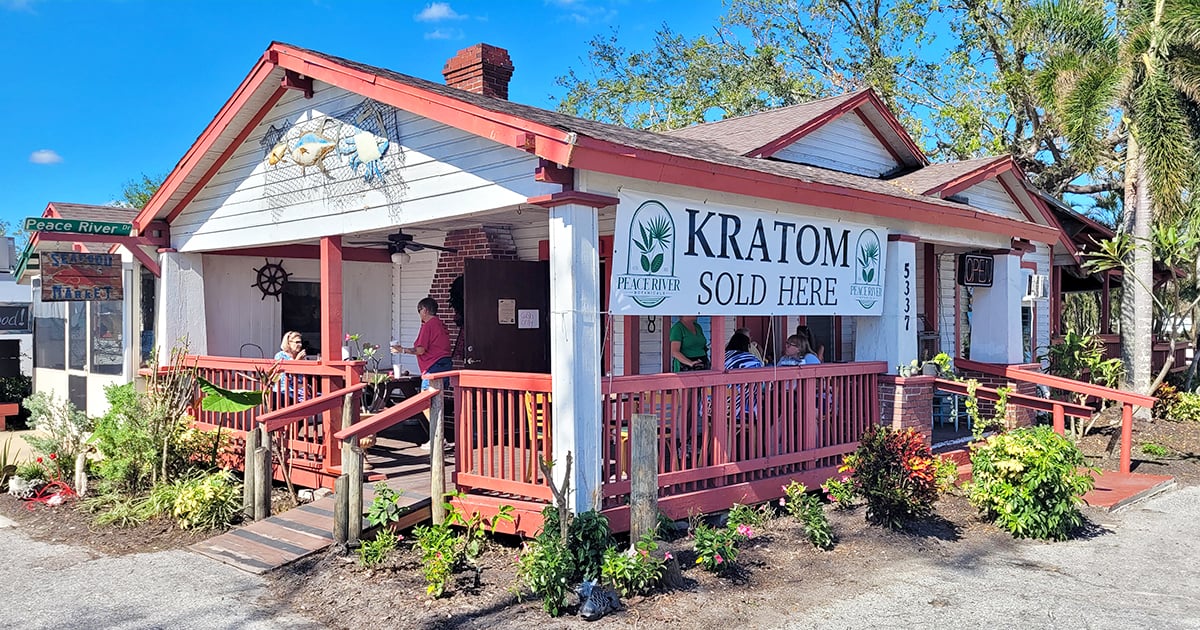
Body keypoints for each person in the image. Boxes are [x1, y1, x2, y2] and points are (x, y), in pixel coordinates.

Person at [392, 297, 453, 450]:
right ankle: (439, 437)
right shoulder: (441, 324)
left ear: (424, 310)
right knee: (436, 402)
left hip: (432, 367)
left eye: (419, 311)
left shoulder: (428, 325)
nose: (419, 314)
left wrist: (402, 350)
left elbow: (420, 350)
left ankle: (438, 437)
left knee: (426, 402)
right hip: (445, 365)